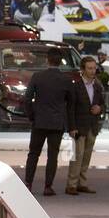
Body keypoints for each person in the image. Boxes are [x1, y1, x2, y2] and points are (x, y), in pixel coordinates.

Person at [23, 48, 75, 196]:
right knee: (53, 155)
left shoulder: (37, 77)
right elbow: (71, 104)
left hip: (39, 121)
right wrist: (70, 125)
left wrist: (32, 116)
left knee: (33, 154)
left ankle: (28, 183)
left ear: (47, 59)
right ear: (61, 62)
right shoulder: (66, 80)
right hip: (57, 123)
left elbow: (27, 99)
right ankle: (48, 186)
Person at [65, 56, 104, 195]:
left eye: (94, 68)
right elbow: (70, 108)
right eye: (90, 68)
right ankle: (71, 185)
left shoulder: (97, 86)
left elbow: (102, 104)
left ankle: (82, 183)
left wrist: (100, 108)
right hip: (79, 126)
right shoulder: (75, 85)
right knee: (77, 155)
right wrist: (71, 127)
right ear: (83, 69)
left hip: (92, 126)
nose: (93, 71)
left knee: (86, 156)